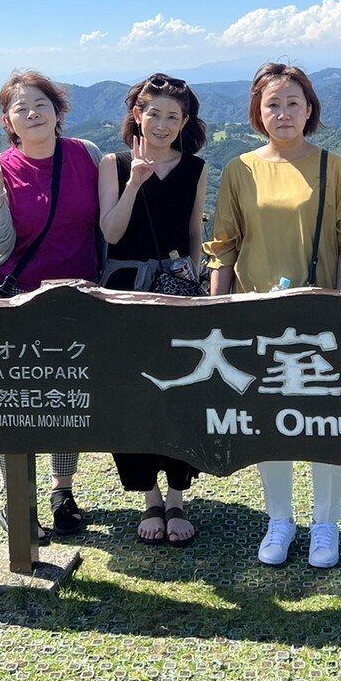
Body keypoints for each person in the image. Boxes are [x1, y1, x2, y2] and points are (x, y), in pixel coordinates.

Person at [205, 62, 341, 570]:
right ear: (258, 111)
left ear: (309, 110)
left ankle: (326, 525)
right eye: (272, 103)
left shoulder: (332, 167)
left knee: (326, 424)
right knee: (269, 424)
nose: (283, 112)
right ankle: (280, 519)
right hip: (256, 313)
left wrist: (340, 305)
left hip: (320, 316)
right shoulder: (241, 169)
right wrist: (220, 310)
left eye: (293, 103)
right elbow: (225, 247)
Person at [0, 71, 101, 541]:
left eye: (40, 103)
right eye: (20, 108)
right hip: (15, 299)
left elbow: (105, 224)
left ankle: (63, 491)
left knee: (66, 398)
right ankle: (16, 504)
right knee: (13, 404)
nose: (32, 113)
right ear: (8, 121)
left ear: (58, 110)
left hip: (77, 296)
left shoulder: (87, 155)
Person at [98, 74, 208, 546]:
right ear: (136, 114)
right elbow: (111, 233)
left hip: (179, 288)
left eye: (173, 117)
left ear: (185, 122)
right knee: (129, 391)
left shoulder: (195, 167)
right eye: (154, 113)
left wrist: (202, 281)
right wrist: (134, 183)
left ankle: (179, 495)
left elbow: (195, 236)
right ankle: (148, 496)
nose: (162, 125)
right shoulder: (114, 163)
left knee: (184, 391)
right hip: (124, 288)